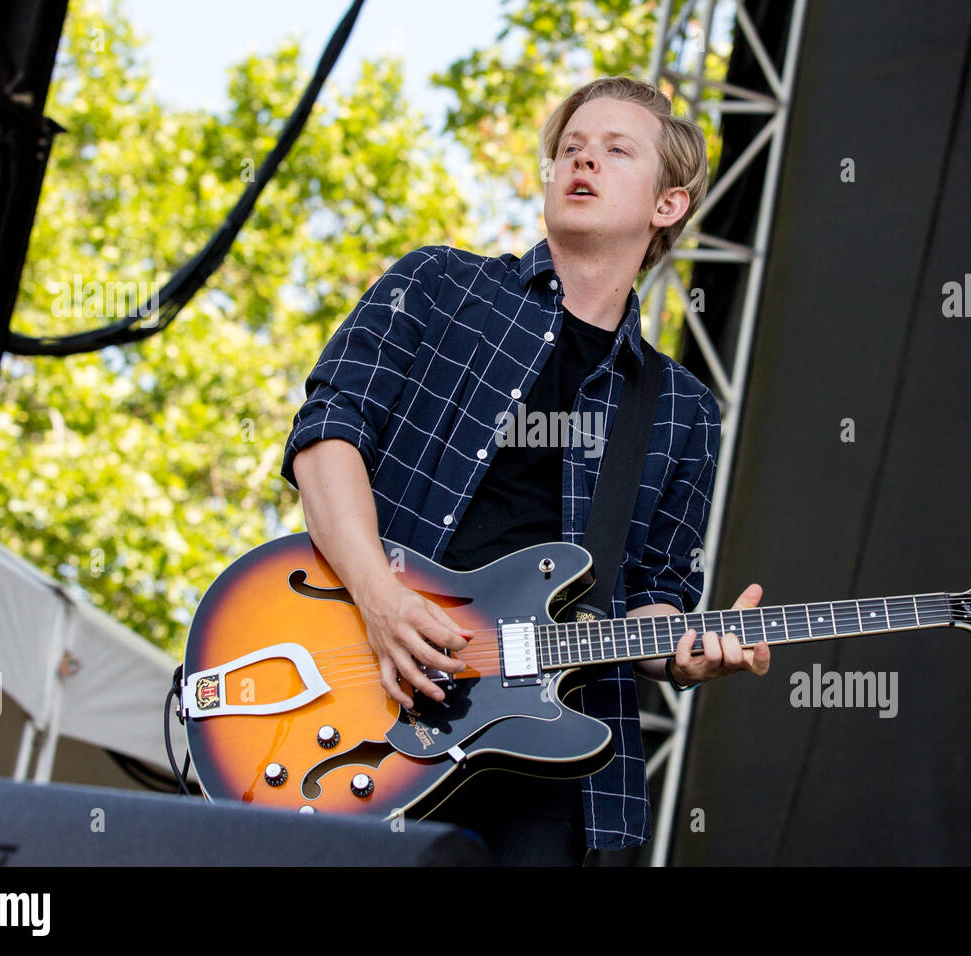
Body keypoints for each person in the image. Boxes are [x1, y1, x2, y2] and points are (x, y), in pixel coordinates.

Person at [281, 74, 770, 866]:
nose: (583, 161)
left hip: (543, 769)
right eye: (570, 148)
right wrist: (378, 597)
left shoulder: (681, 408)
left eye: (616, 150)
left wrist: (686, 649)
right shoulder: (438, 285)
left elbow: (651, 600)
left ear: (667, 206)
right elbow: (326, 436)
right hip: (360, 701)